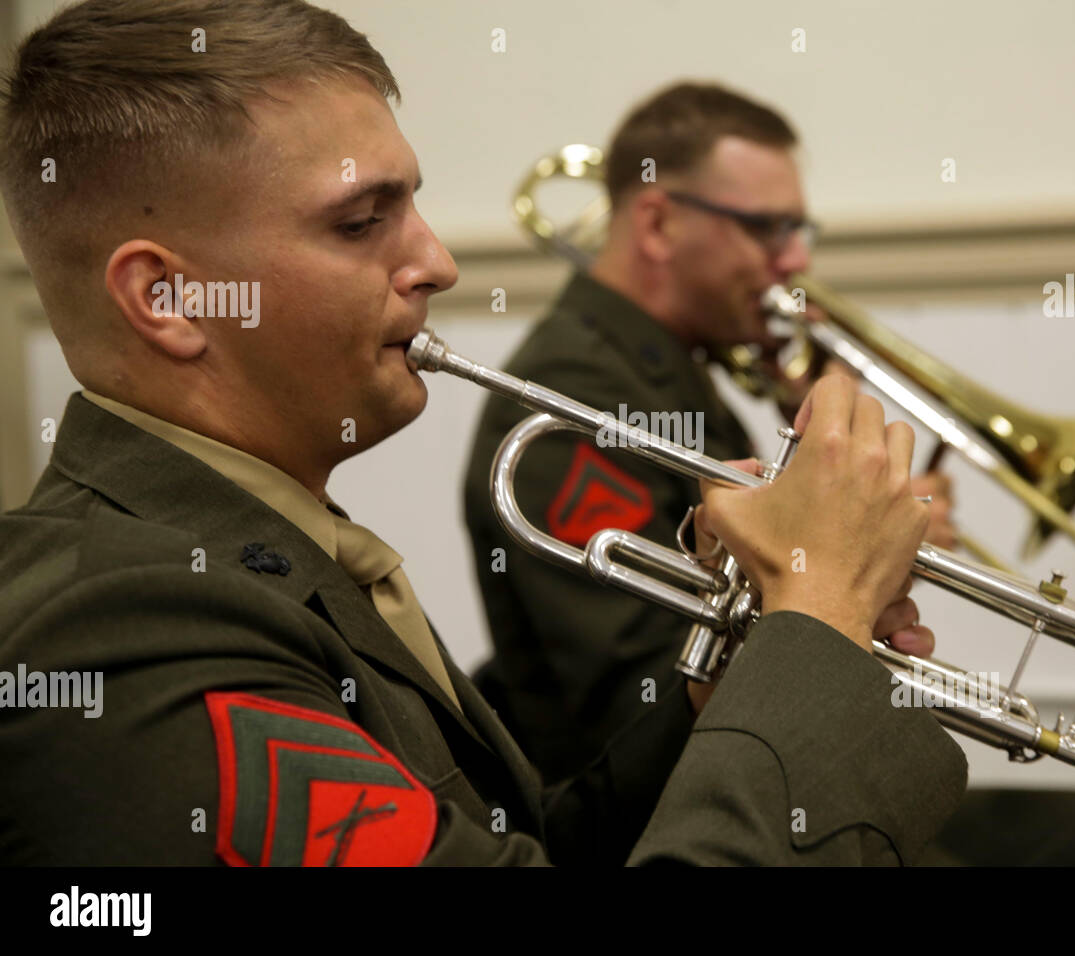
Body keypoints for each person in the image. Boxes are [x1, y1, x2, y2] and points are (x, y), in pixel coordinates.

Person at [0, 0, 968, 866]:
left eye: (413, 204)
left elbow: (528, 846)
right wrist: (822, 617)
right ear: (169, 297)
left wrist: (741, 659)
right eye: (361, 222)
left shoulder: (271, 547)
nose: (439, 263)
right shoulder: (123, 633)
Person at [462, 81, 1075, 865]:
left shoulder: (666, 369)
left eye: (797, 228)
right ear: (657, 222)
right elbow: (631, 702)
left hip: (773, 780)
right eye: (767, 228)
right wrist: (840, 557)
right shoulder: (581, 386)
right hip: (686, 826)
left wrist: (850, 534)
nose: (795, 259)